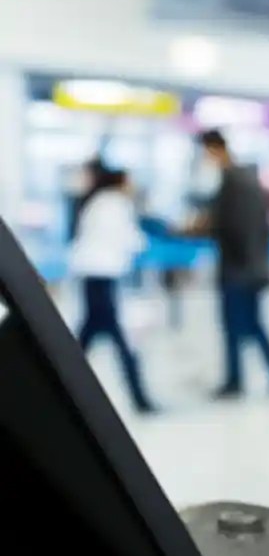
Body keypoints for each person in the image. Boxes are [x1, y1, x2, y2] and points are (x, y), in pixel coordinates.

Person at [193, 129, 269, 399]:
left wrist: (204, 228)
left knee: (240, 324)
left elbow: (234, 227)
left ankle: (245, 379)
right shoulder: (246, 179)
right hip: (250, 266)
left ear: (214, 149)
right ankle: (256, 376)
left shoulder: (234, 181)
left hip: (239, 269)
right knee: (248, 324)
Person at [68, 166, 157, 414]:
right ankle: (141, 400)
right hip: (103, 276)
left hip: (93, 275)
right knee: (121, 340)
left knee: (89, 337)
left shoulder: (99, 201)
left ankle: (61, 383)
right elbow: (131, 239)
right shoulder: (115, 204)